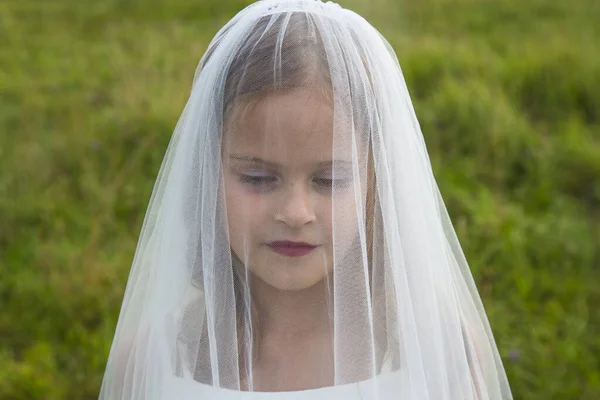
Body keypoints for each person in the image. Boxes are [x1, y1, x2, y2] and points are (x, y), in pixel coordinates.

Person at [99, 0, 513, 398]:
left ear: (376, 182)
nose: (295, 213)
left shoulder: (435, 348)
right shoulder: (151, 360)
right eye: (258, 178)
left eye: (330, 180)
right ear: (206, 174)